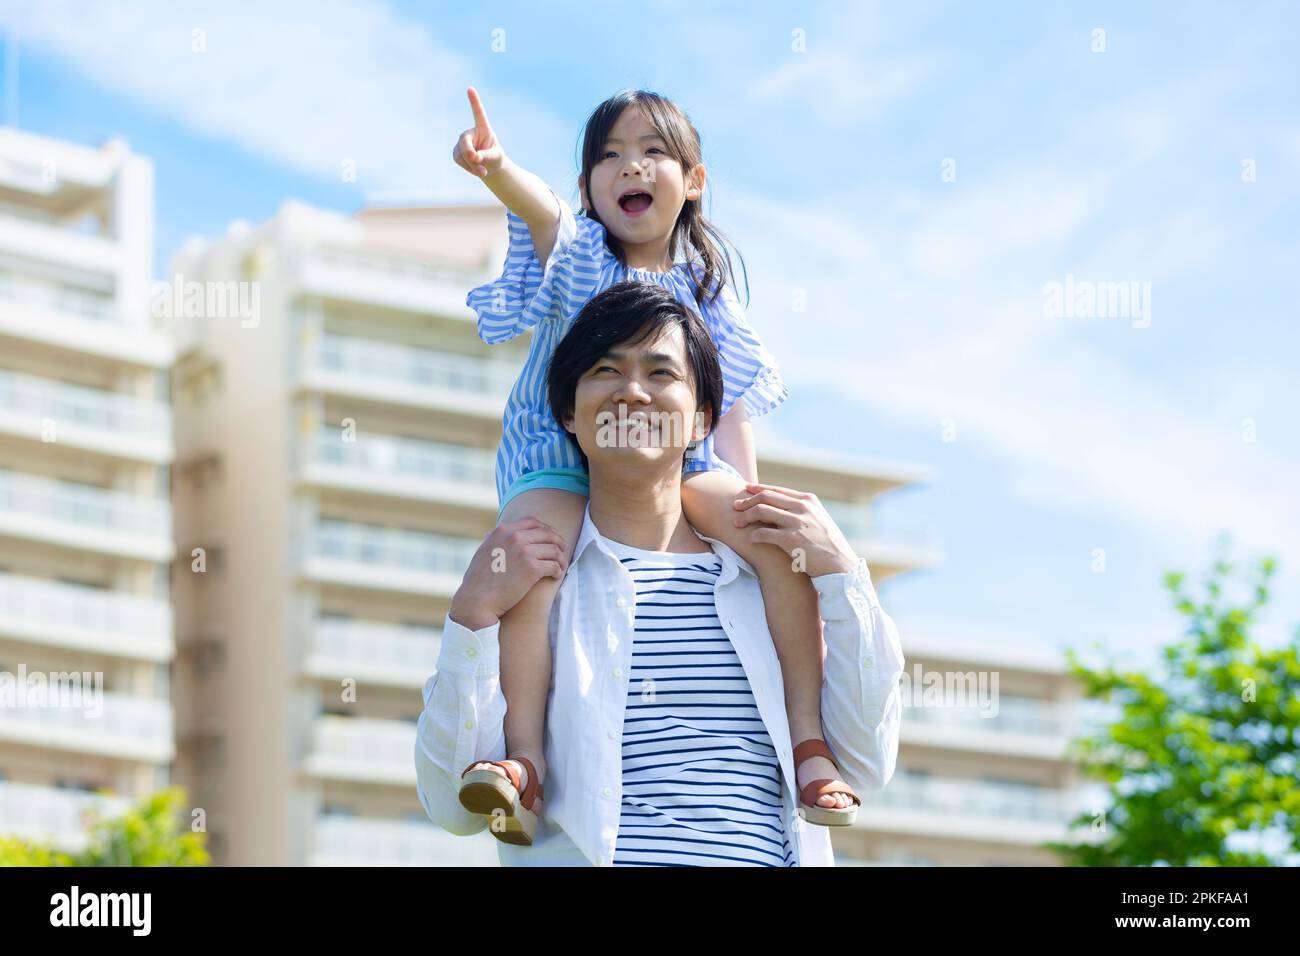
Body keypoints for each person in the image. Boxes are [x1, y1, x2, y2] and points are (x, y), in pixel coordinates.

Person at [449, 85, 847, 834]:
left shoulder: (706, 291)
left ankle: (809, 742)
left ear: (693, 180)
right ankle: (523, 760)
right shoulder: (581, 260)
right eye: (609, 157)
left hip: (680, 464)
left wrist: (748, 495)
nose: (630, 166)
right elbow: (541, 211)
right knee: (534, 560)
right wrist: (495, 167)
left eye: (652, 152)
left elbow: (726, 406)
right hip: (556, 459)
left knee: (775, 547)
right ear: (589, 187)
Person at [414, 280, 905, 866]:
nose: (632, 393)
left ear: (702, 421)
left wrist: (844, 573)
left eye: (661, 373)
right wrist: (469, 616)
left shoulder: (764, 585)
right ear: (568, 413)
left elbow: (867, 763)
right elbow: (452, 805)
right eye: (605, 369)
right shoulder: (530, 580)